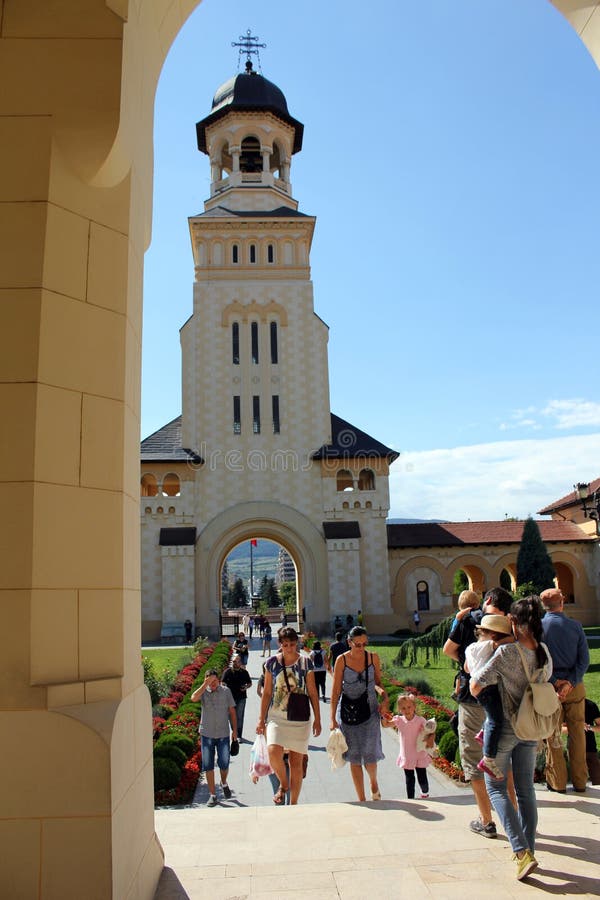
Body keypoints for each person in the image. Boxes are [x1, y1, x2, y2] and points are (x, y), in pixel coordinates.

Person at [470, 595, 553, 881]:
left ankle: (521, 852)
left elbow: (477, 683)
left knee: (496, 788)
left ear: (514, 623)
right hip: (531, 728)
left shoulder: (508, 653)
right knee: (526, 792)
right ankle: (529, 850)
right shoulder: (543, 650)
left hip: (505, 727)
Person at [443, 585, 513, 839]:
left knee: (474, 758)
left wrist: (468, 664)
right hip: (504, 697)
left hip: (472, 698)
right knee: (502, 756)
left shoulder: (465, 621)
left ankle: (486, 820)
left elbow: (449, 650)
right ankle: (513, 815)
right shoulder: (509, 623)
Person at [256, 626, 321, 804]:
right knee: (273, 751)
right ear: (280, 644)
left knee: (296, 763)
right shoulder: (271, 663)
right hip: (277, 716)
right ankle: (283, 785)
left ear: (297, 643)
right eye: (285, 645)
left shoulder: (306, 662)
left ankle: (294, 803)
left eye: (292, 644)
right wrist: (261, 719)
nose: (289, 648)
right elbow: (267, 692)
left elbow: (313, 692)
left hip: (300, 718)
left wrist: (318, 720)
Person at [330, 626, 388, 802]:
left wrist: (384, 697)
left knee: (370, 754)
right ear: (349, 643)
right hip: (348, 713)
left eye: (364, 644)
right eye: (357, 645)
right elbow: (335, 691)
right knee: (354, 756)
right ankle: (361, 798)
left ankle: (373, 782)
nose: (361, 648)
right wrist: (332, 718)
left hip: (370, 710)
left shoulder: (373, 658)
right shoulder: (342, 660)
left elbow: (378, 683)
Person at [540, 587, 590, 793]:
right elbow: (584, 660)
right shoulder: (575, 626)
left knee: (553, 735)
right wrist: (570, 682)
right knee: (578, 733)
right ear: (561, 603)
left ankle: (557, 782)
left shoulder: (539, 628)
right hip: (574, 686)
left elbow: (538, 660)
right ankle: (580, 781)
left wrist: (554, 681)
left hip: (550, 688)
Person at [465, 614, 515, 779]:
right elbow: (504, 642)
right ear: (493, 635)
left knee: (490, 714)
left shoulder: (471, 647)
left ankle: (483, 733)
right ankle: (488, 758)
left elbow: (466, 668)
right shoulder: (489, 646)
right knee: (496, 719)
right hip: (487, 687)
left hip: (477, 687)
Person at [191, 668, 237, 807]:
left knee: (224, 763)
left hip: (223, 734)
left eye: (215, 681)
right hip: (207, 734)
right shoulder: (203, 691)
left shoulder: (226, 691)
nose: (213, 684)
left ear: (219, 680)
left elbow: (232, 712)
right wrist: (204, 685)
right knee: (208, 765)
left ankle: (224, 782)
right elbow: (193, 698)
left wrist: (235, 731)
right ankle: (212, 795)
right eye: (210, 681)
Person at [383, 692, 436, 799]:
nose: (406, 710)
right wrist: (382, 716)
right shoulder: (399, 720)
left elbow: (430, 730)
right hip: (407, 755)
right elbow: (386, 725)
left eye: (409, 707)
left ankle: (424, 793)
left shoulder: (420, 720)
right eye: (403, 708)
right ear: (399, 709)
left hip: (420, 754)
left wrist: (431, 739)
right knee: (409, 778)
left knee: (422, 776)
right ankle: (410, 799)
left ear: (414, 707)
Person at [221, 654, 252, 742]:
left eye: (237, 661)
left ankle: (238, 735)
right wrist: (225, 688)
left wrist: (245, 687)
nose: (235, 663)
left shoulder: (244, 672)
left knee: (239, 716)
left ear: (240, 662)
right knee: (230, 716)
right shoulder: (227, 672)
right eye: (234, 661)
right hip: (229, 698)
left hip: (241, 697)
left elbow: (249, 683)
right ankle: (234, 731)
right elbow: (222, 682)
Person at [584, 697, 600, 785]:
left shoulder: (591, 705)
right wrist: (576, 727)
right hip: (575, 748)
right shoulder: (568, 705)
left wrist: (589, 727)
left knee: (597, 779)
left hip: (590, 747)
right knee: (579, 782)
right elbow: (561, 728)